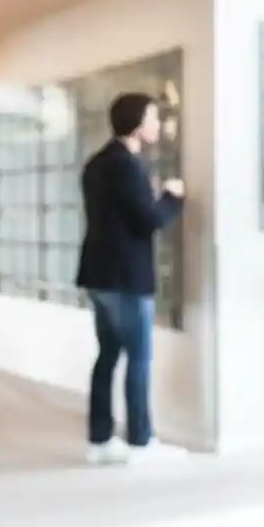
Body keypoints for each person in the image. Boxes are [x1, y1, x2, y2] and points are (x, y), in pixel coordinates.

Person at [76, 93, 186, 466]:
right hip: (126, 279)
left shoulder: (97, 164)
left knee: (107, 356)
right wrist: (172, 197)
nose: (158, 125)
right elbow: (148, 221)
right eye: (154, 118)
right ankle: (141, 440)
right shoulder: (126, 166)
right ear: (138, 124)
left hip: (99, 275)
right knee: (138, 359)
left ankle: (101, 439)